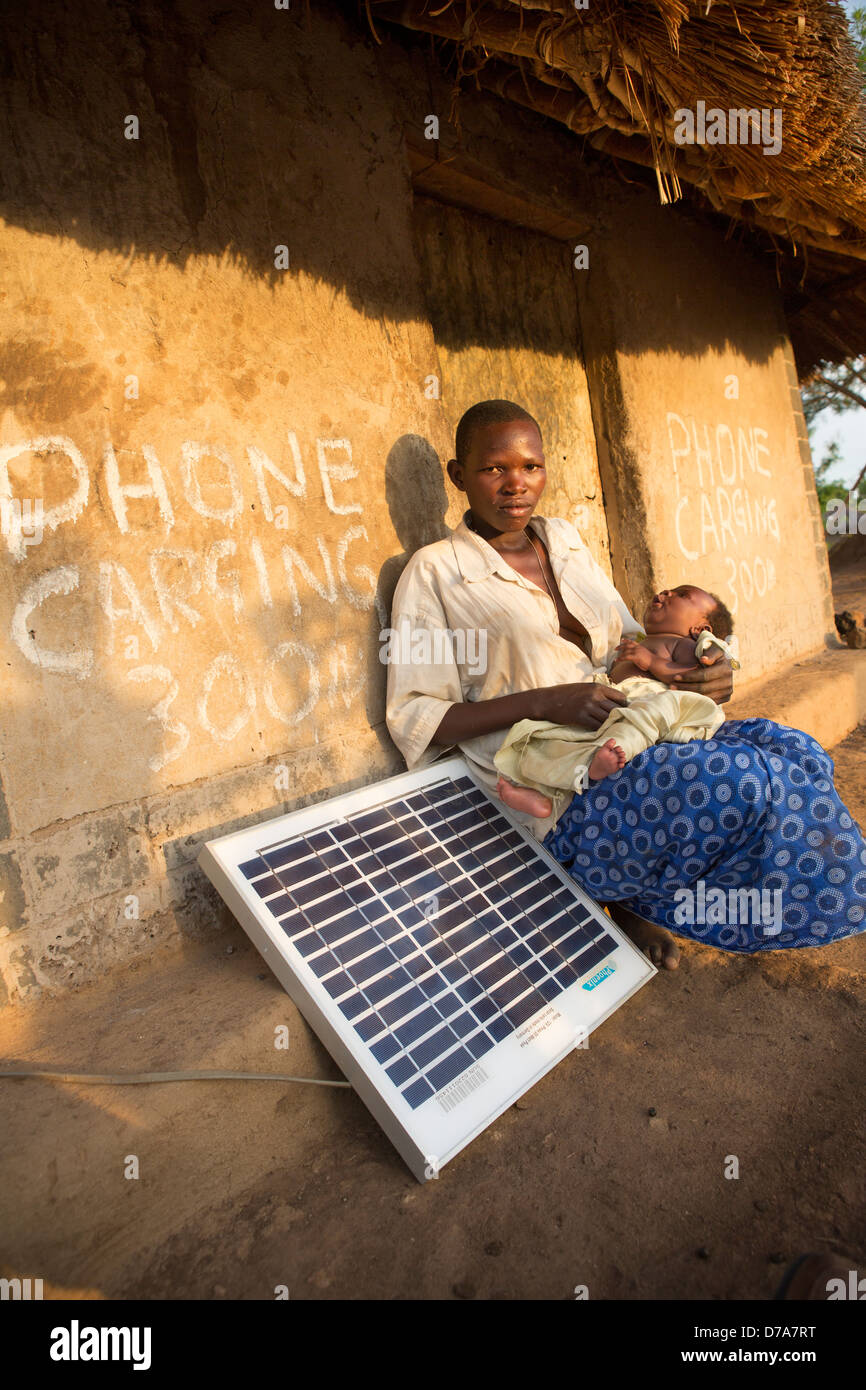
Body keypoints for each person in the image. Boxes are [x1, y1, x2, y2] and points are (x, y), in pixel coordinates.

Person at [385, 399, 866, 968]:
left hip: (632, 730)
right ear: (458, 475)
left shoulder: (562, 540)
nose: (517, 484)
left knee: (797, 750)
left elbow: (629, 640)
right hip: (559, 774)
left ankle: (635, 888)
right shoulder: (435, 573)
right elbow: (417, 716)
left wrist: (701, 676)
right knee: (740, 784)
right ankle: (621, 889)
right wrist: (548, 701)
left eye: (531, 466)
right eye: (494, 469)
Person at [494, 583, 737, 822]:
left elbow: (691, 678)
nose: (667, 592)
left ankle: (607, 758)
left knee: (634, 725)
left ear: (700, 629)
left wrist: (651, 662)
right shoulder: (643, 640)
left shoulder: (683, 645)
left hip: (652, 705)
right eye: (671, 589)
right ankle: (544, 792)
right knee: (558, 737)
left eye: (682, 595)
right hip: (621, 704)